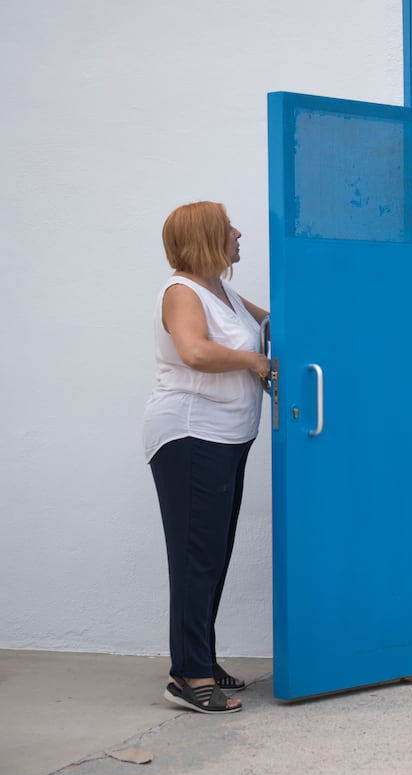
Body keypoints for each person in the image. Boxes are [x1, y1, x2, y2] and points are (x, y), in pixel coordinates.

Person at [144, 201, 270, 714]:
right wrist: (255, 360)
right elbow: (194, 351)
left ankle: (202, 657)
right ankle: (187, 673)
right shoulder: (181, 292)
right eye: (228, 228)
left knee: (212, 554)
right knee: (197, 556)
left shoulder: (222, 291)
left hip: (227, 438)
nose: (238, 233)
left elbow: (275, 318)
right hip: (191, 437)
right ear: (206, 237)